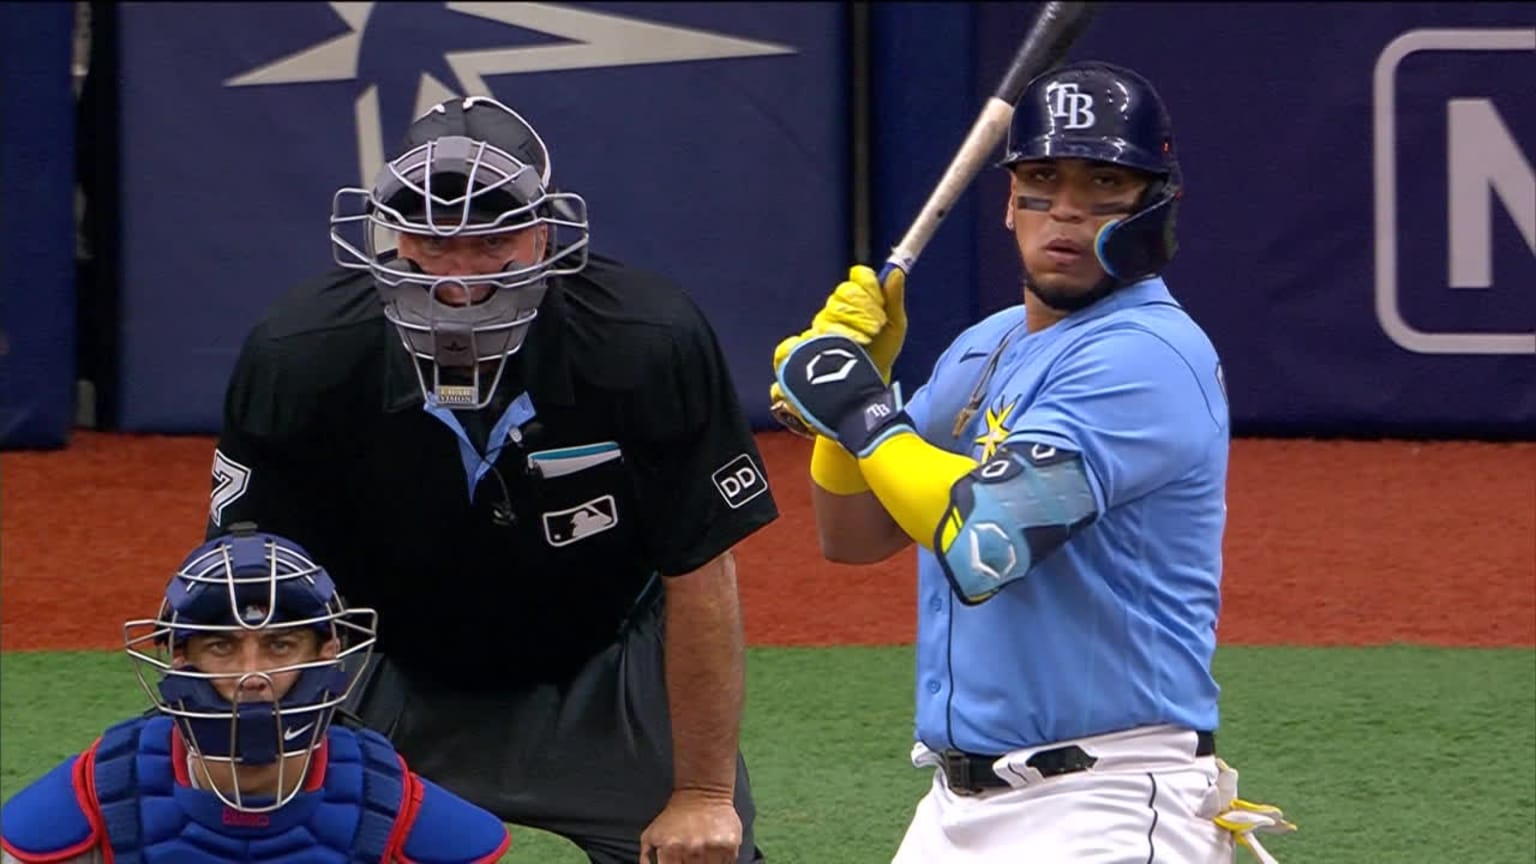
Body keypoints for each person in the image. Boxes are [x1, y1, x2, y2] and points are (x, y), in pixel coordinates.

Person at [205, 95, 777, 864]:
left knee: (705, 854)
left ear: (546, 229)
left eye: (493, 234)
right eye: (434, 237)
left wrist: (701, 795)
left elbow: (700, 572)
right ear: (391, 232)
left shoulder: (644, 341)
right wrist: (248, 756)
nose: (459, 276)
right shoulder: (301, 352)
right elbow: (248, 587)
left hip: (603, 669)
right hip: (385, 673)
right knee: (250, 840)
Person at [769, 61, 1295, 862]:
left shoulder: (1147, 356)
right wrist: (854, 414)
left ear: (1155, 206)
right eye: (1043, 181)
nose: (1068, 213)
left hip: (1104, 806)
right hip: (953, 809)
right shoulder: (987, 345)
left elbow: (988, 541)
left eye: (1104, 185)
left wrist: (857, 409)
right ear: (1010, 202)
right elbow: (856, 534)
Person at [0, 526, 511, 864]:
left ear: (327, 652)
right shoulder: (103, 791)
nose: (253, 676)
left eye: (280, 645)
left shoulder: (387, 803)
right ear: (182, 658)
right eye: (222, 646)